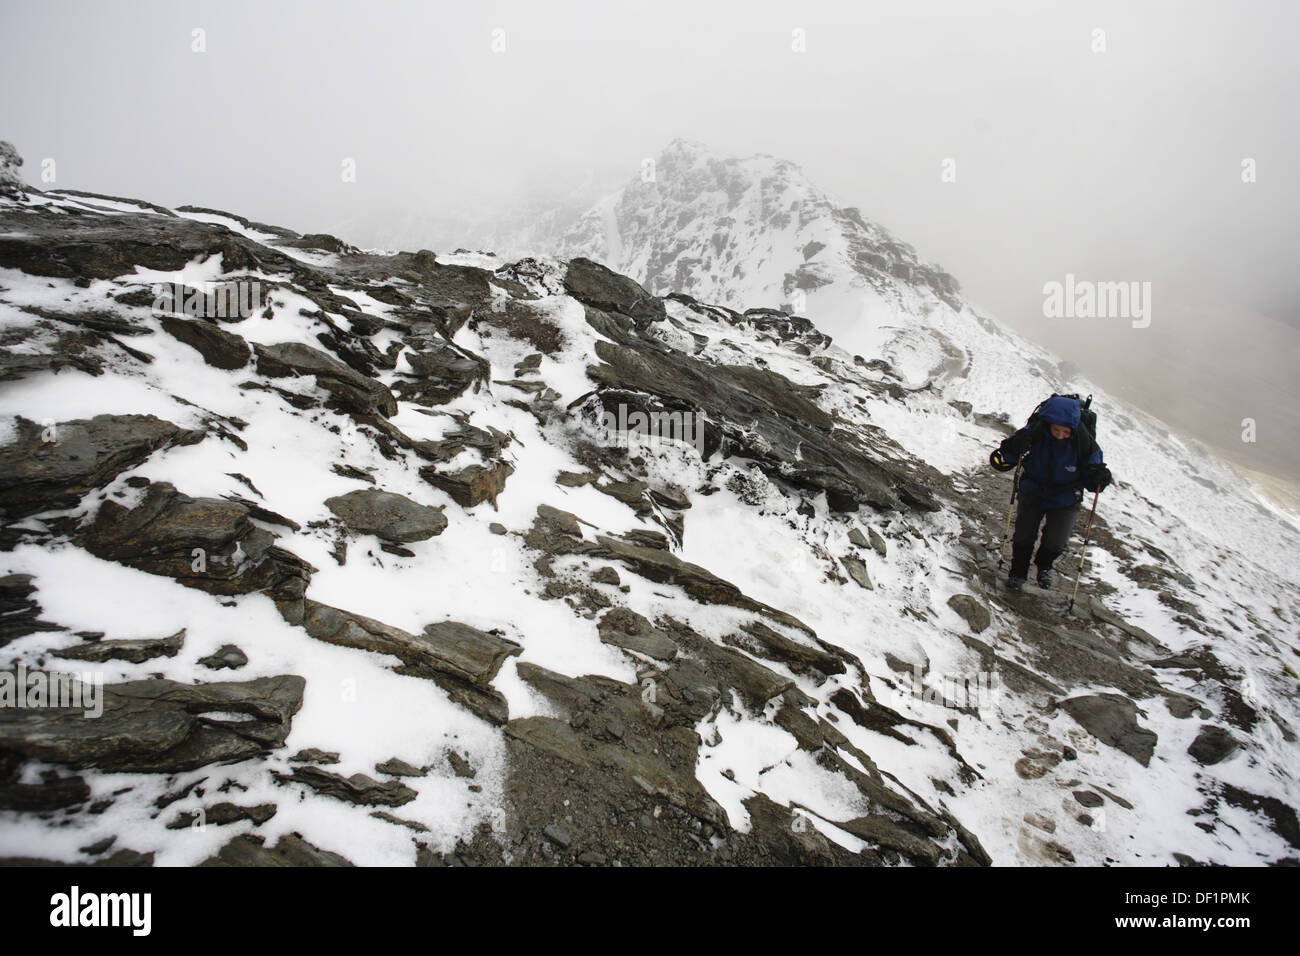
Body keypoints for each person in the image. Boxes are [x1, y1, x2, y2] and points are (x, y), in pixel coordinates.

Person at [989, 395, 1113, 590]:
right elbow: (1005, 459)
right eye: (1056, 430)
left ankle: (1045, 566)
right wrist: (1012, 447)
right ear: (1048, 424)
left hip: (1066, 499)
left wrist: (1100, 478)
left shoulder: (1084, 443)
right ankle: (1018, 573)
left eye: (1066, 431)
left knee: (1056, 541)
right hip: (1032, 492)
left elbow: (1092, 479)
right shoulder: (1033, 434)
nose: (1061, 435)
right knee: (1023, 537)